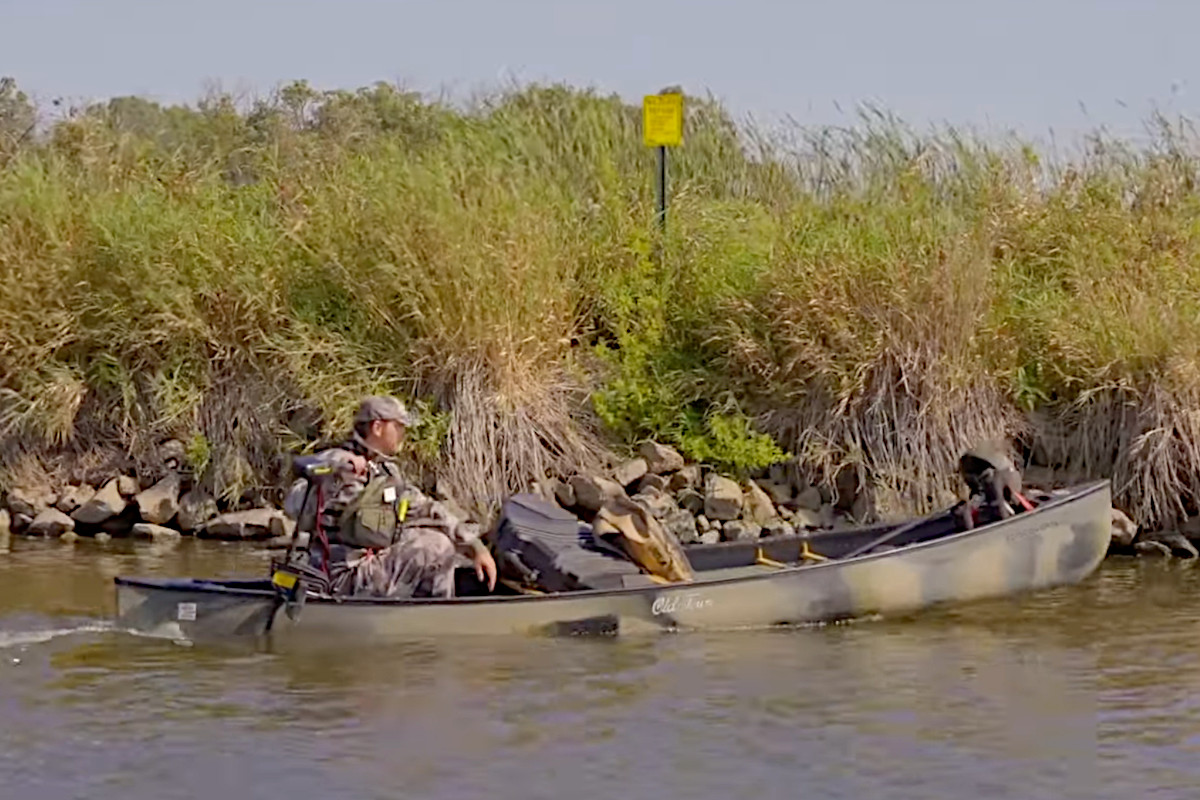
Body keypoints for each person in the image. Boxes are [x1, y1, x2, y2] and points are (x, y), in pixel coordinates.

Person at [293, 395, 496, 598]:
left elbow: (427, 509)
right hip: (342, 576)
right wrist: (342, 463)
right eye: (398, 426)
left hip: (365, 567)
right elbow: (309, 473)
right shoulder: (339, 464)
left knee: (431, 536)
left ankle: (427, 609)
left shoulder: (385, 471)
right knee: (437, 547)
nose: (403, 433)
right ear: (378, 427)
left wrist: (475, 547)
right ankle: (437, 617)